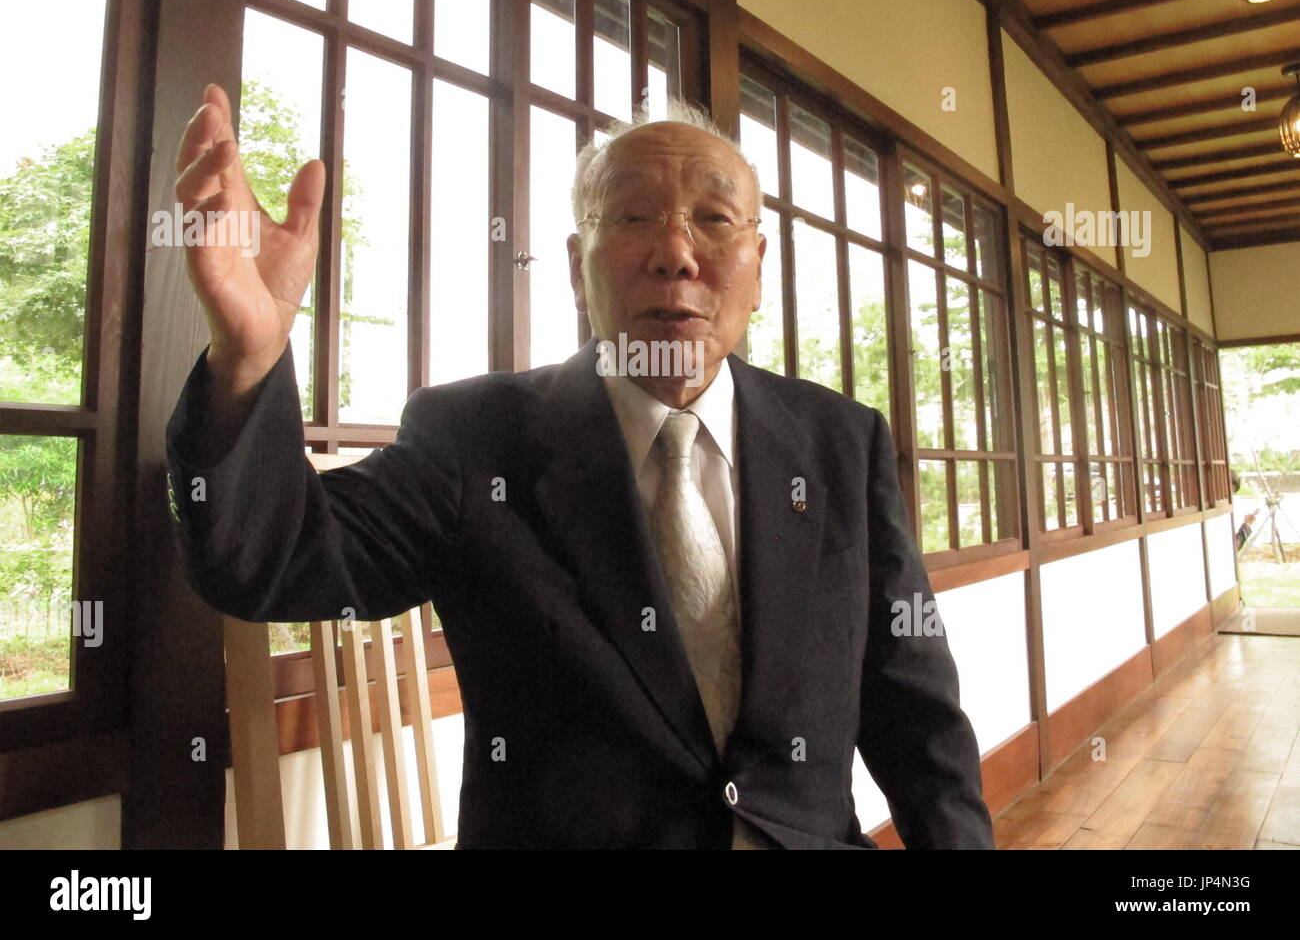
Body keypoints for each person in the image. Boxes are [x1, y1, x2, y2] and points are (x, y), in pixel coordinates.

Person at [165, 82, 995, 850]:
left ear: (758, 266)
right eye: (633, 217)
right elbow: (270, 559)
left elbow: (913, 709)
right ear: (575, 265)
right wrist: (248, 356)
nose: (676, 252)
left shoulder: (841, 442)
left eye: (713, 219)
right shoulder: (475, 438)